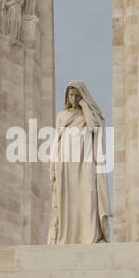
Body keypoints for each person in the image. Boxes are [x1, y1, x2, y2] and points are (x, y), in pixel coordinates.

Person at [48, 81, 112, 245]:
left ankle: (90, 236)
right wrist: (53, 167)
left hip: (86, 161)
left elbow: (94, 128)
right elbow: (57, 140)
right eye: (71, 95)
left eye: (77, 95)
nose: (74, 98)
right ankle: (68, 236)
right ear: (66, 96)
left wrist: (85, 106)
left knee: (88, 193)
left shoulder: (88, 114)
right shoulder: (61, 116)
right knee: (68, 200)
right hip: (66, 162)